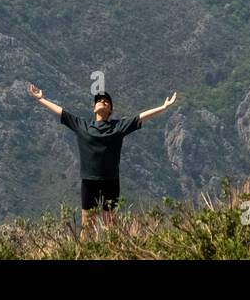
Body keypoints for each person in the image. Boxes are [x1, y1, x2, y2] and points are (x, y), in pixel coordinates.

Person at [28, 83, 177, 239]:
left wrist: (163, 107)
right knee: (87, 225)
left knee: (110, 225)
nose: (103, 102)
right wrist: (41, 99)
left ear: (110, 110)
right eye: (99, 100)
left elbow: (140, 117)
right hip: (89, 182)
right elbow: (61, 113)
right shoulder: (82, 126)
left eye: (107, 101)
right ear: (94, 108)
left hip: (111, 181)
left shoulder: (118, 127)